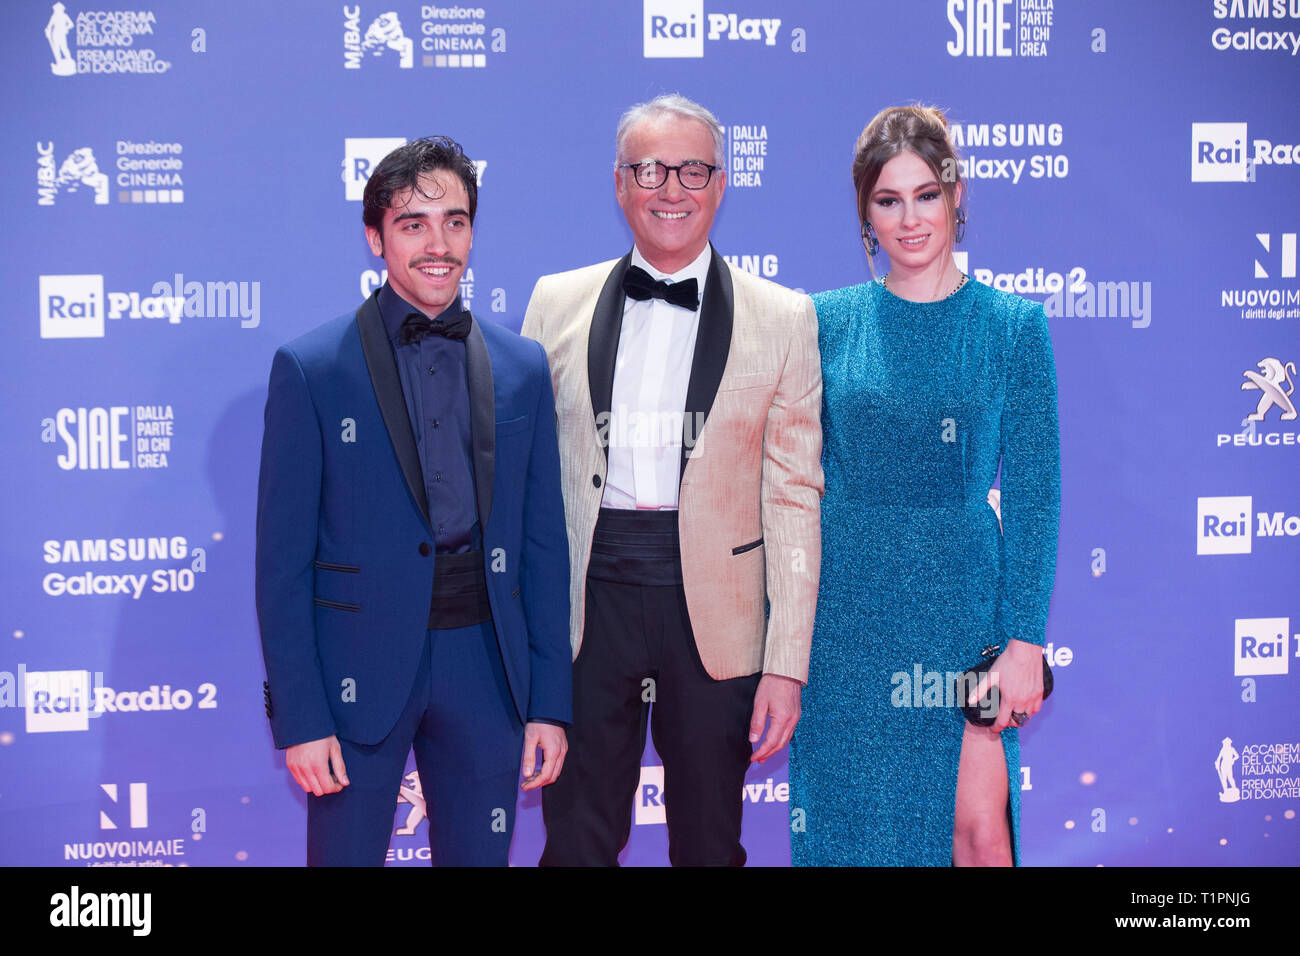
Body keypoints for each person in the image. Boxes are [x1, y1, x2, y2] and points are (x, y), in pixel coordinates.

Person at [521, 94, 823, 866]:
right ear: (619, 184)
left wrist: (786, 663)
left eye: (692, 169)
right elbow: (519, 480)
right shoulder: (555, 302)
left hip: (717, 614)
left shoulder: (784, 316)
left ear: (721, 185)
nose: (671, 188)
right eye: (649, 168)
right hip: (588, 602)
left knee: (709, 843)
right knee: (578, 839)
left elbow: (793, 499)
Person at [256, 136, 571, 866]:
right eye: (413, 223)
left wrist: (549, 700)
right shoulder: (311, 369)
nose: (439, 244)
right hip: (354, 676)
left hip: (486, 669)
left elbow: (543, 548)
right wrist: (302, 718)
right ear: (375, 238)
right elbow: (282, 564)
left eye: (455, 221)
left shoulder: (522, 366)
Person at [789, 105, 1060, 866]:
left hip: (962, 611)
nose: (909, 219)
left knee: (977, 834)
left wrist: (1024, 642)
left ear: (956, 196)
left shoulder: (1012, 327)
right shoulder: (823, 322)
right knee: (849, 833)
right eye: (887, 200)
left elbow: (1036, 495)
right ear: (865, 213)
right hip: (843, 621)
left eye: (926, 195)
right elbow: (789, 485)